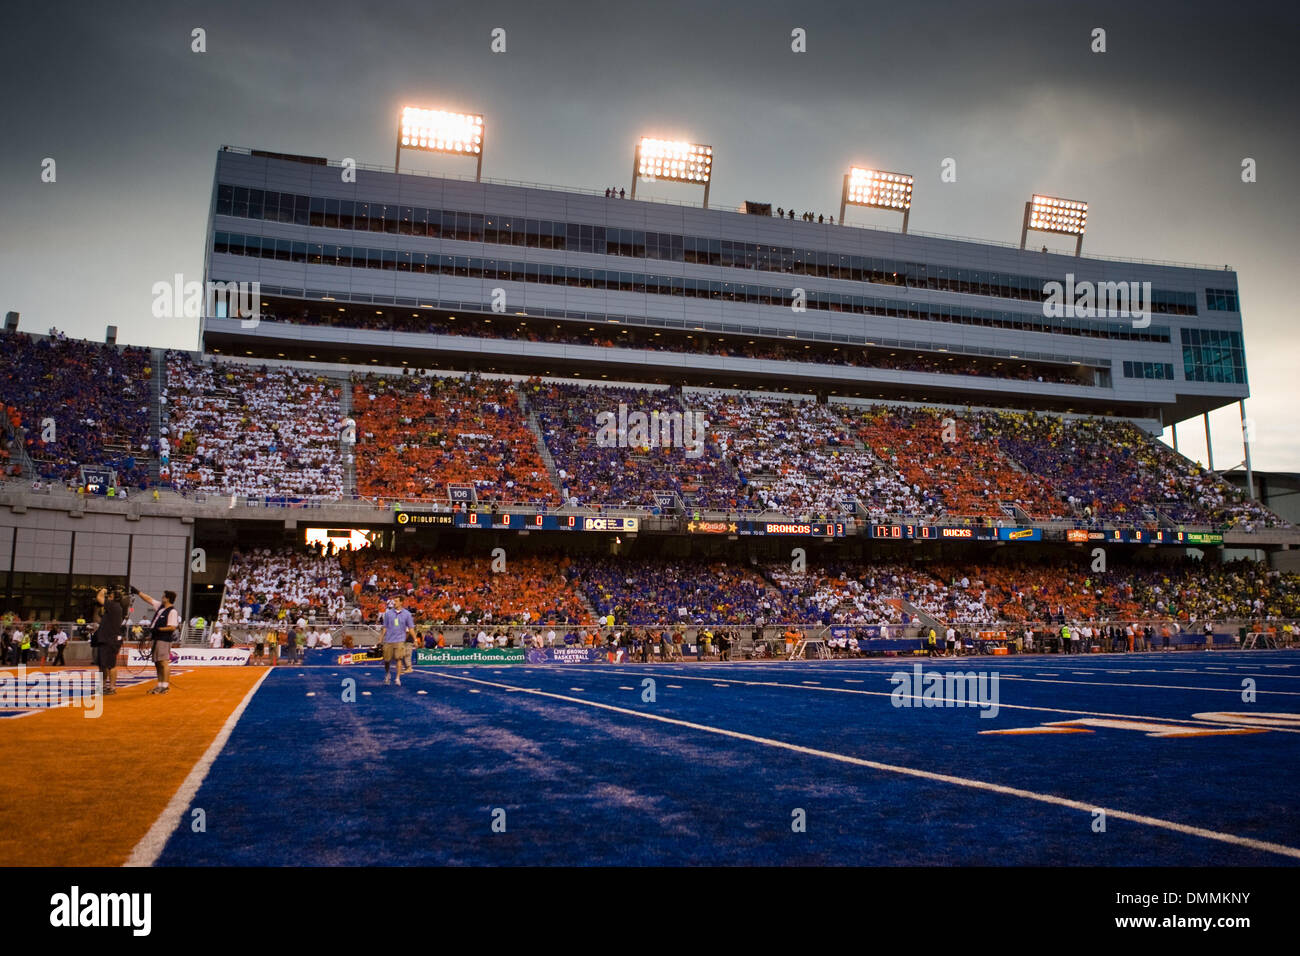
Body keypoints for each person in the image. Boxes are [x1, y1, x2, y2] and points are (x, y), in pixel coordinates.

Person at [135, 588, 180, 694]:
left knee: (163, 662)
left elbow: (172, 627)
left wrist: (158, 629)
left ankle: (165, 686)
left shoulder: (172, 611)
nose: (162, 598)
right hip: (157, 638)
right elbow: (149, 599)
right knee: (157, 662)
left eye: (164, 596)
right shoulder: (161, 607)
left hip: (164, 639)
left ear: (168, 599)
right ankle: (160, 685)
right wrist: (138, 592)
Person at [92, 587, 128, 695]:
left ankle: (111, 687)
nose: (108, 597)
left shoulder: (113, 606)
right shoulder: (115, 608)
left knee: (110, 665)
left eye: (110, 595)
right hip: (106, 639)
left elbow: (99, 597)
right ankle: (102, 687)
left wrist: (103, 590)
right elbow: (98, 619)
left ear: (113, 597)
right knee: (103, 665)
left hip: (109, 640)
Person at [380, 596, 415, 686]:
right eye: (394, 601)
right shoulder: (388, 613)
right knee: (387, 660)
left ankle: (397, 678)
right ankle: (388, 674)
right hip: (388, 640)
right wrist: (381, 638)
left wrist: (415, 639)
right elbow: (385, 627)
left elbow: (411, 628)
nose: (394, 602)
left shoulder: (407, 614)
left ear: (401, 602)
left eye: (396, 601)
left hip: (400, 640)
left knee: (399, 659)